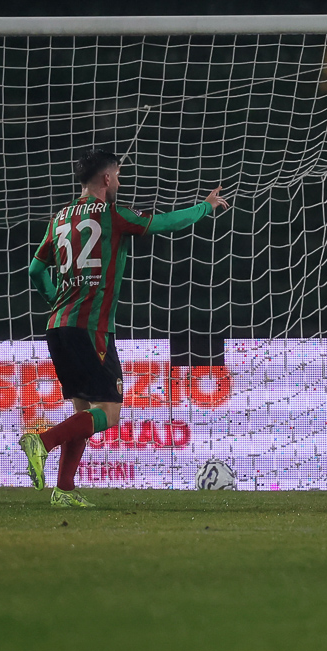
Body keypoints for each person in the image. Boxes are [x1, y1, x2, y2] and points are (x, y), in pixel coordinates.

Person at [22, 149, 229, 507]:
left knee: (83, 410)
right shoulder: (113, 215)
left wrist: (57, 301)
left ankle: (64, 491)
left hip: (58, 326)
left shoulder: (58, 219)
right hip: (91, 329)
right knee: (110, 411)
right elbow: (164, 223)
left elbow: (35, 271)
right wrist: (205, 207)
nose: (118, 181)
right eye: (116, 175)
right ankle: (42, 441)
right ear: (105, 179)